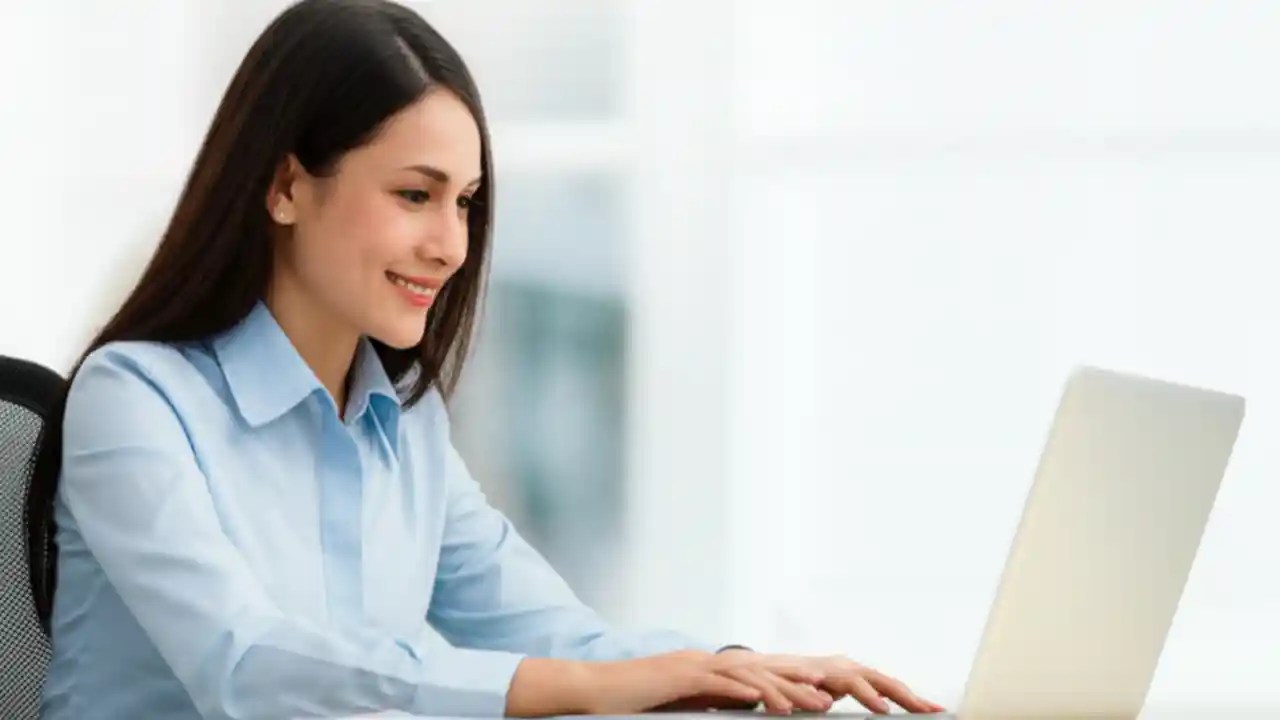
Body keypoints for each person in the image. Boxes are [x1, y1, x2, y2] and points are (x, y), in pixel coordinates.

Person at [34, 1, 947, 718]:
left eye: (465, 202)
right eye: (414, 194)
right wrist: (584, 689)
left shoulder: (403, 423)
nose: (450, 243)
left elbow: (555, 635)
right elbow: (246, 666)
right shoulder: (137, 399)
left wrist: (736, 671)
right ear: (283, 186)